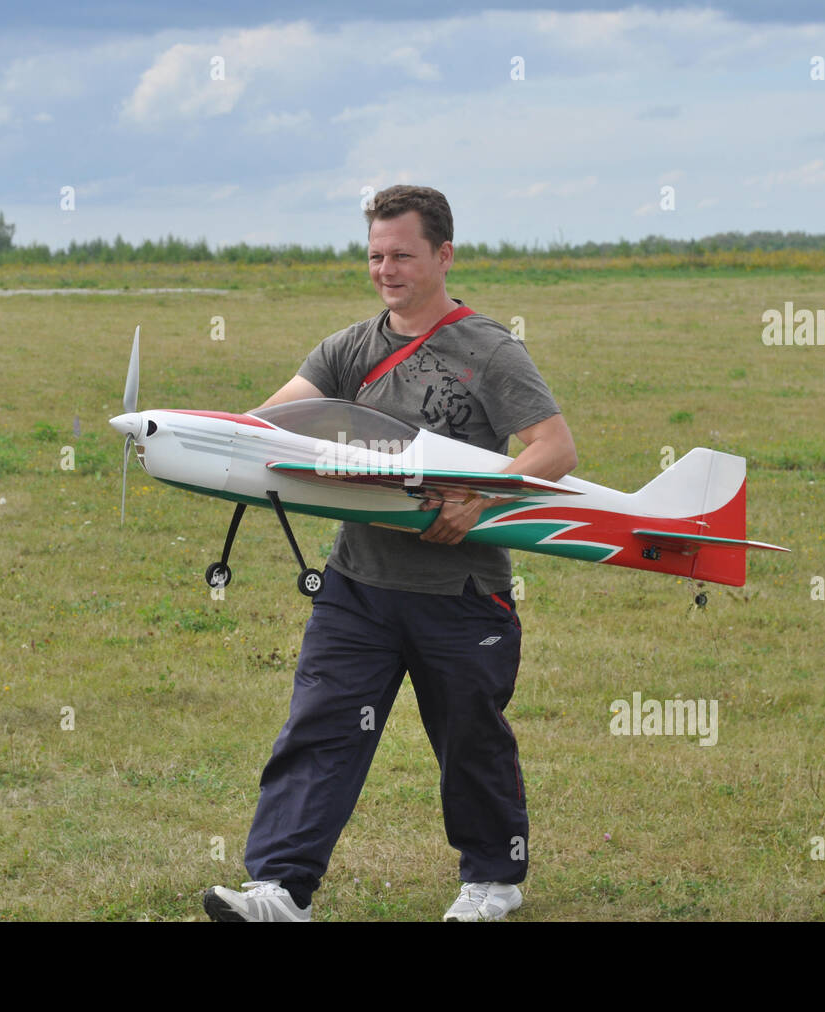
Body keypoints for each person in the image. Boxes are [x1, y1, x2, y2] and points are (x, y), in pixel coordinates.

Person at [203, 185, 577, 922]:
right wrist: (190, 435)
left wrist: (479, 498)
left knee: (470, 739)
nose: (385, 270)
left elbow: (555, 448)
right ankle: (280, 891)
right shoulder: (349, 347)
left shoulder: (490, 349)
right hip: (357, 583)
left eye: (402, 255)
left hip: (460, 592)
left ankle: (493, 882)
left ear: (444, 254)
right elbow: (273, 421)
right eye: (375, 256)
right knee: (320, 726)